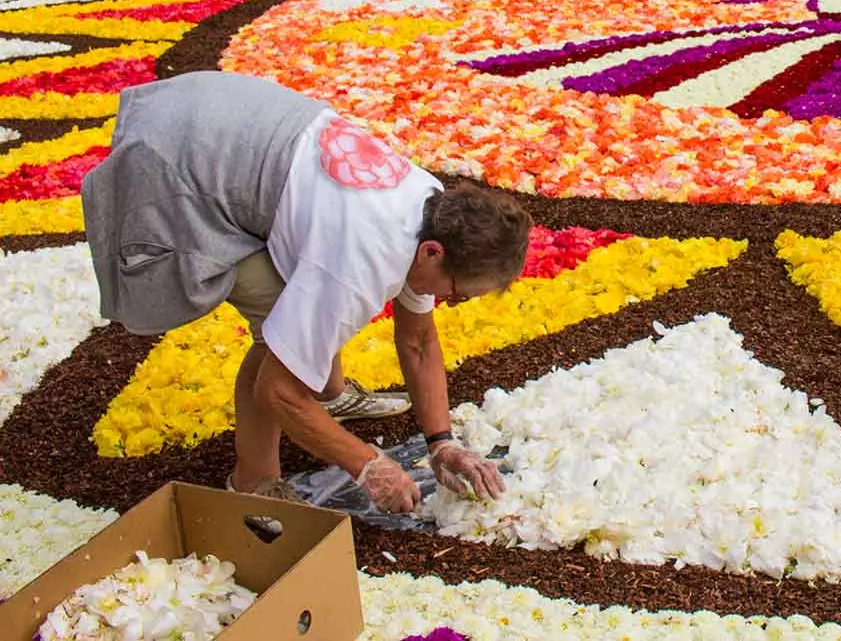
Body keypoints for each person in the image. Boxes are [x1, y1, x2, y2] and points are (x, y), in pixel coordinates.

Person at [82, 72, 532, 511]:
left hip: (216, 112)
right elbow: (277, 390)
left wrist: (442, 443)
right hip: (177, 160)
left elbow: (418, 340)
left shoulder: (430, 205)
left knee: (307, 319)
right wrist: (368, 465)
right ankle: (254, 483)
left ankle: (328, 393)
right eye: (459, 292)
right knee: (279, 326)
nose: (452, 302)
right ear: (433, 253)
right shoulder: (361, 258)